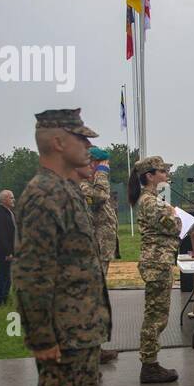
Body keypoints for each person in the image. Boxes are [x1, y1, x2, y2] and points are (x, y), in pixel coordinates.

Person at [13, 108, 111, 386]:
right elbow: (32, 270)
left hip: (81, 327)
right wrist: (41, 336)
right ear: (57, 142)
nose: (87, 146)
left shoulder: (66, 188)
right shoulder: (43, 193)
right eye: (81, 139)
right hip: (64, 332)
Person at [129, 155, 180, 383]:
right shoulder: (150, 201)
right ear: (150, 176)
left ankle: (150, 363)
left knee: (157, 316)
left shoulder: (152, 199)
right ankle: (149, 366)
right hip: (157, 263)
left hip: (159, 262)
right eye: (162, 171)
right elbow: (172, 226)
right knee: (155, 317)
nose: (166, 175)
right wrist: (176, 216)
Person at [80, 147, 119, 363]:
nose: (106, 169)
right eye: (103, 164)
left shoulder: (91, 183)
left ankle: (96, 348)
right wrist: (101, 174)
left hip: (100, 250)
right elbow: (101, 198)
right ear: (92, 163)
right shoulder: (82, 183)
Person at [0, 189, 17, 306]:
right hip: (5, 252)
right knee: (3, 275)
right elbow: (1, 235)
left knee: (8, 275)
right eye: (11, 198)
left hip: (12, 250)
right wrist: (7, 252)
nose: (13, 200)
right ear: (4, 199)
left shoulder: (9, 212)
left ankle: (5, 298)